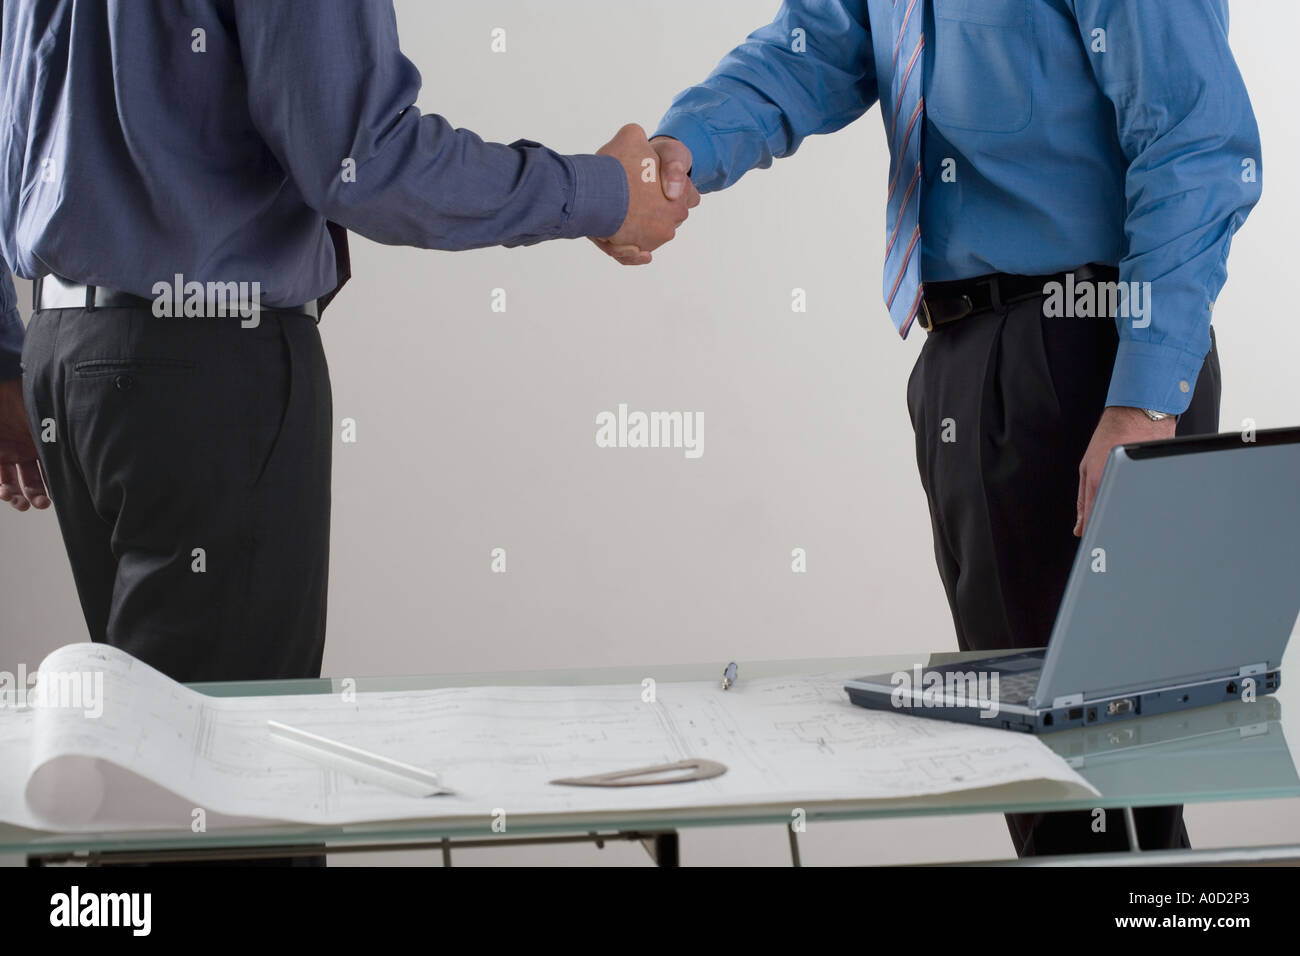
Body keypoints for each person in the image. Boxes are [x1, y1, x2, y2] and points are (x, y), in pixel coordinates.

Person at [638, 0, 1261, 856]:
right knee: (1057, 781)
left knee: (1098, 787)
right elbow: (817, 44)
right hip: (966, 361)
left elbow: (1195, 139)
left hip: (1097, 354)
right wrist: (687, 148)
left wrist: (1143, 402)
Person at [0, 0, 697, 686]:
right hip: (207, 368)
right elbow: (363, 162)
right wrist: (601, 192)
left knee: (145, 736)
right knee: (220, 760)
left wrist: (7, 360)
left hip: (66, 356)